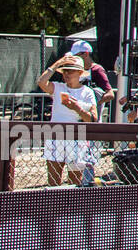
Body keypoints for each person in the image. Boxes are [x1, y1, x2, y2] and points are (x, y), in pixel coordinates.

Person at [38, 55, 98, 186]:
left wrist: (77, 108)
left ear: (80, 73)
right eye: (64, 71)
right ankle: (53, 206)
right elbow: (42, 82)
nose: (67, 74)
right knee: (53, 182)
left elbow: (93, 119)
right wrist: (57, 64)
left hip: (76, 138)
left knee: (74, 182)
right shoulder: (58, 87)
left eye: (70, 71)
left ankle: (71, 206)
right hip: (56, 136)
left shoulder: (87, 92)